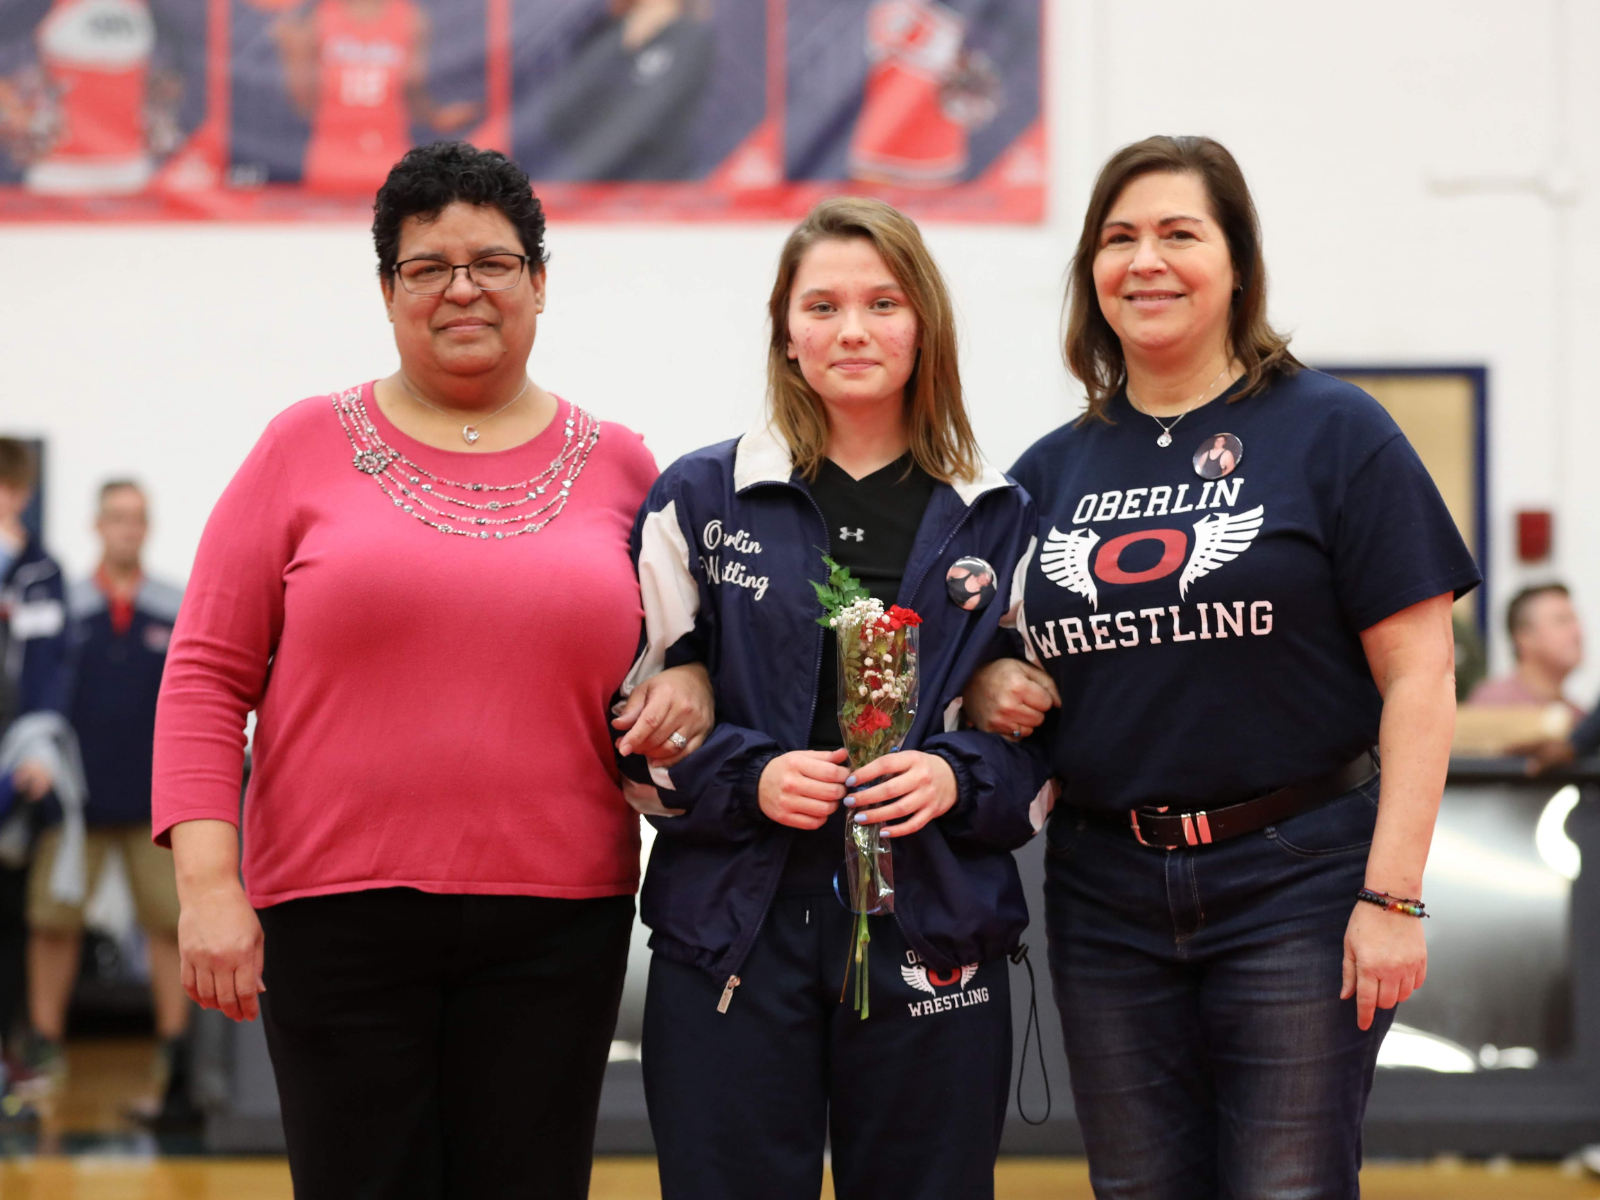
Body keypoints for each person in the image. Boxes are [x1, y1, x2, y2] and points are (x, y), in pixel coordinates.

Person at [151, 142, 712, 1200]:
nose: (463, 288)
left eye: (494, 262)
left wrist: (693, 685)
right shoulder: (299, 447)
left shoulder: (626, 467)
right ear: (387, 289)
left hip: (559, 919)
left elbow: (685, 658)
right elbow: (204, 679)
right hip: (334, 915)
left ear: (540, 282)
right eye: (427, 266)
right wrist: (208, 888)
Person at [961, 136, 1481, 1198]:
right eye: (1118, 238)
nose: (1144, 260)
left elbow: (1421, 676)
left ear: (1236, 263)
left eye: (1177, 233)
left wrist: (1394, 895)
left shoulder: (1336, 433)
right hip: (1104, 886)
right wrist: (984, 683)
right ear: (1090, 273)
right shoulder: (1047, 471)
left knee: (1284, 1186)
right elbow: (991, 660)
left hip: (1299, 877)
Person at [621, 197, 1050, 1200]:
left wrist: (954, 777)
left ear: (923, 325)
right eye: (822, 305)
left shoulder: (996, 514)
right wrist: (749, 776)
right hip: (732, 931)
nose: (851, 330)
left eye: (882, 303)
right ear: (785, 330)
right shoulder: (702, 497)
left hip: (933, 929)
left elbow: (1049, 749)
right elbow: (630, 735)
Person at [24, 481, 189, 1121]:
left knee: (171, 925)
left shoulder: (173, 604)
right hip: (73, 802)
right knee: (53, 923)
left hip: (156, 801)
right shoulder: (64, 605)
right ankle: (44, 1045)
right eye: (117, 517)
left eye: (138, 519)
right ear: (98, 525)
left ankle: (175, 1051)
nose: (128, 528)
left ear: (147, 528)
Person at [0, 438, 69, 1107]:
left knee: (15, 919)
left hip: (16, 777)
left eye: (9, 490)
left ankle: (11, 1051)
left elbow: (49, 670)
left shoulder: (42, 570)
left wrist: (40, 752)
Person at [273, 0, 479, 195]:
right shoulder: (321, 18)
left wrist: (437, 117)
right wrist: (294, 56)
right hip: (333, 156)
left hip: (387, 154)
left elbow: (412, 92)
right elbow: (304, 104)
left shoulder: (410, 19)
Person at [0, 0, 189, 194]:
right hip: (60, 171)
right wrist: (18, 114)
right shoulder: (37, 6)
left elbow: (179, 68)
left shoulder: (155, 7)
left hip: (131, 168)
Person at [542, 0, 714, 182]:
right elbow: (560, 107)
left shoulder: (688, 38)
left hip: (647, 192)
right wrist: (618, 36)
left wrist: (564, 180)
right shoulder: (609, 28)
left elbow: (631, 123)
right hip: (596, 185)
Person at [1468, 583, 1583, 719]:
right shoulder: (1492, 705)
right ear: (1523, 637)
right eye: (1561, 621)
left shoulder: (1579, 717)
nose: (1577, 632)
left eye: (1574, 620)